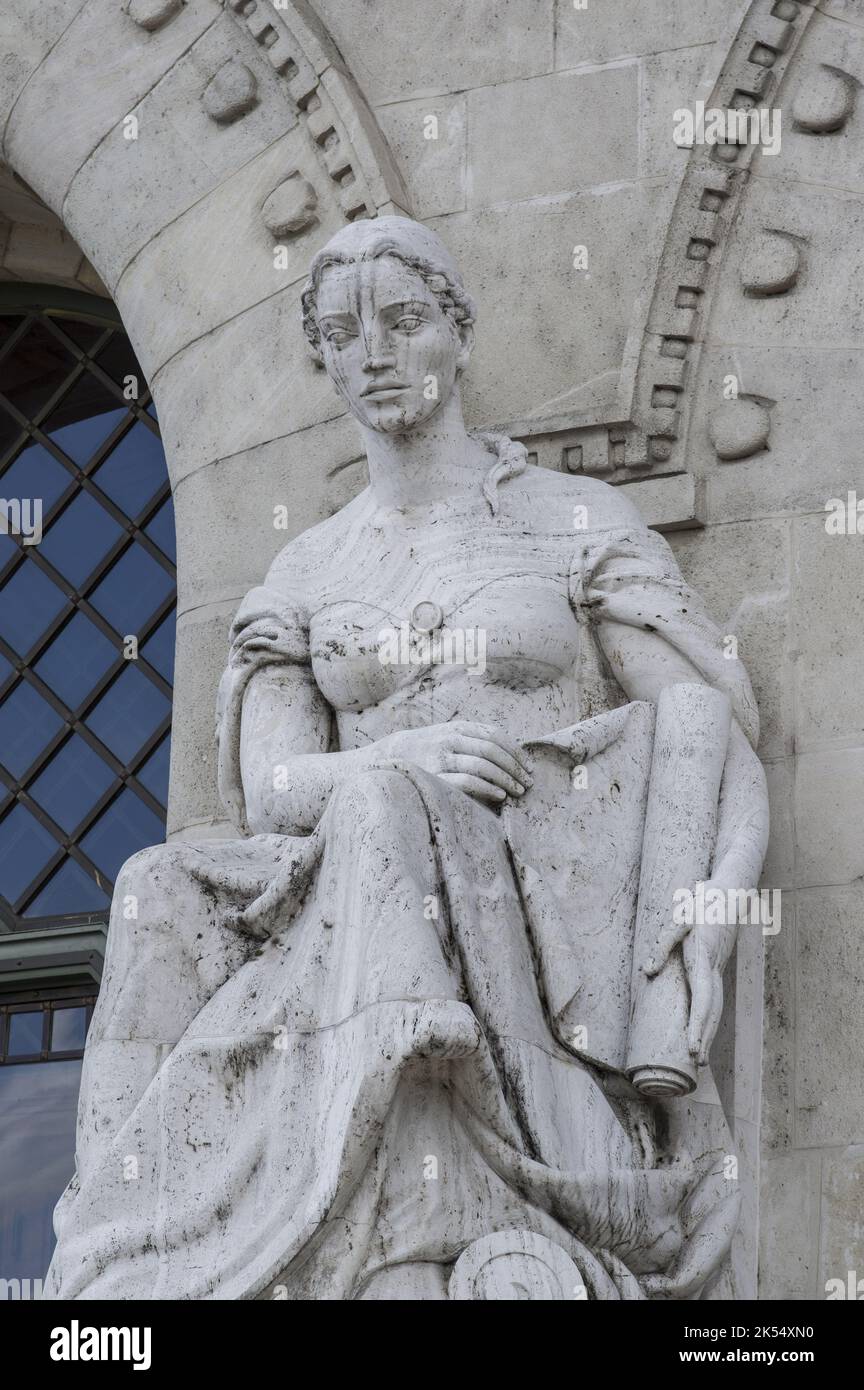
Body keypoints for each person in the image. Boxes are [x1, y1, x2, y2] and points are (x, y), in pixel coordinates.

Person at [45, 217, 768, 1301]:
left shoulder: (568, 520)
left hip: (536, 894)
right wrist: (416, 752)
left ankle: (428, 1185)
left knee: (389, 806)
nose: (372, 351)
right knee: (152, 887)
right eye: (341, 332)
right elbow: (275, 791)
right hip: (346, 878)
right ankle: (118, 1248)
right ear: (322, 356)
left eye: (403, 320)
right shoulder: (307, 565)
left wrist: (703, 928)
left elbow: (713, 736)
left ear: (457, 333)